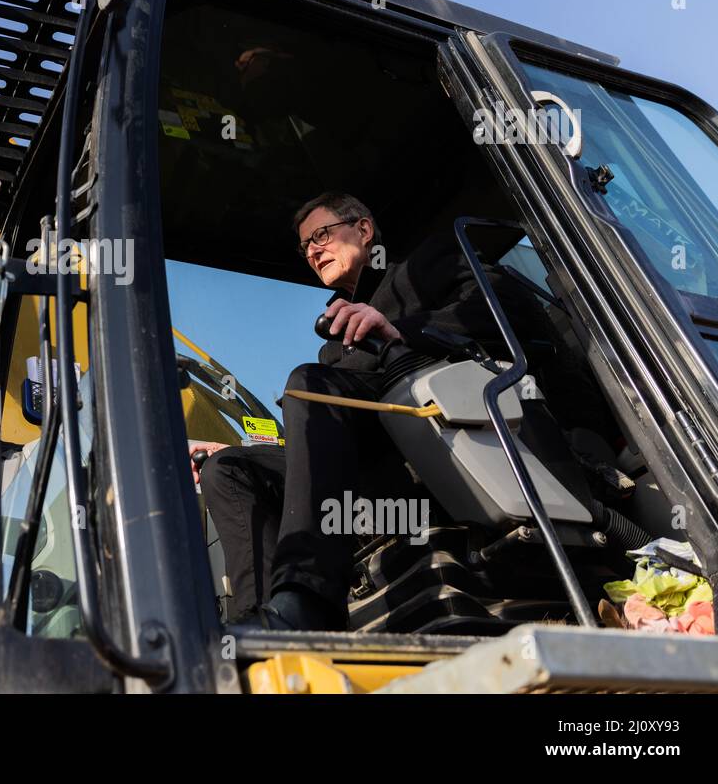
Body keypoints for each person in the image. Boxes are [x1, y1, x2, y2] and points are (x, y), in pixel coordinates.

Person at [192, 191, 553, 630]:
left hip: (454, 444)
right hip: (368, 478)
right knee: (229, 469)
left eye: (321, 234)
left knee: (308, 386)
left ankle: (310, 600)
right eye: (305, 245)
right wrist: (247, 449)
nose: (312, 250)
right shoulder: (334, 346)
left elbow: (510, 308)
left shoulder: (424, 267)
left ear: (363, 230)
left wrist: (401, 331)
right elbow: (325, 440)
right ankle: (267, 619)